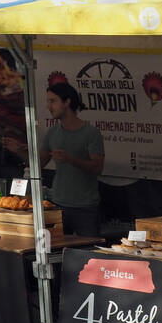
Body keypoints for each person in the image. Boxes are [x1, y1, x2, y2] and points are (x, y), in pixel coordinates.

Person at [41, 81, 105, 237]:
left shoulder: (91, 133)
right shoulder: (52, 133)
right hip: (58, 205)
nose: (49, 106)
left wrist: (70, 159)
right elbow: (38, 164)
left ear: (67, 102)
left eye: (53, 101)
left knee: (89, 254)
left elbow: (97, 168)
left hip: (85, 207)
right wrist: (18, 151)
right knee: (57, 253)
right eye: (48, 101)